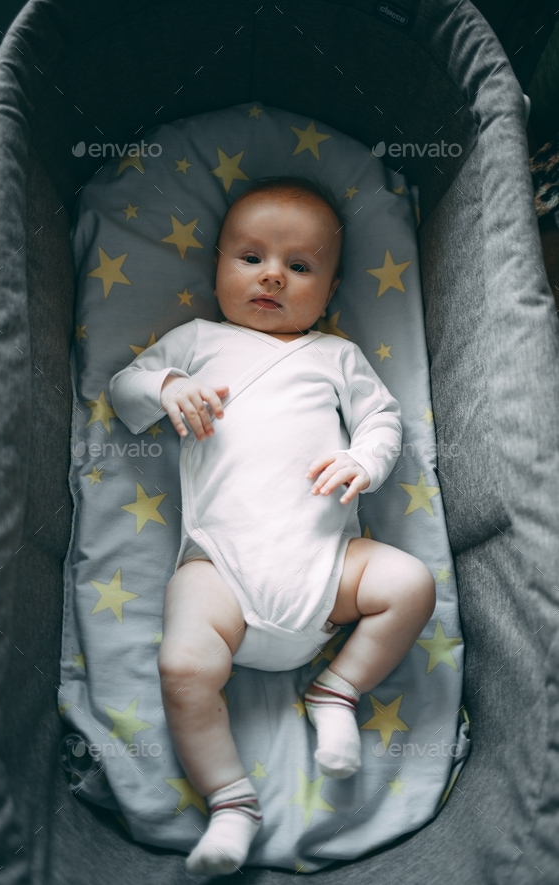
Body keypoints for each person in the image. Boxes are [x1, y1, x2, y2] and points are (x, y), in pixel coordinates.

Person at [109, 176, 436, 876]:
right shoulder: (197, 341)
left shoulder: (335, 356)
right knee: (182, 663)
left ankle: (338, 688)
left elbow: (383, 418)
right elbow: (123, 388)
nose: (272, 276)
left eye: (300, 266)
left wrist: (364, 461)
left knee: (410, 582)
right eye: (251, 256)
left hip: (327, 568)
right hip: (221, 571)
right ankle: (231, 802)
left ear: (331, 288)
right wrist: (168, 388)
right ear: (218, 264)